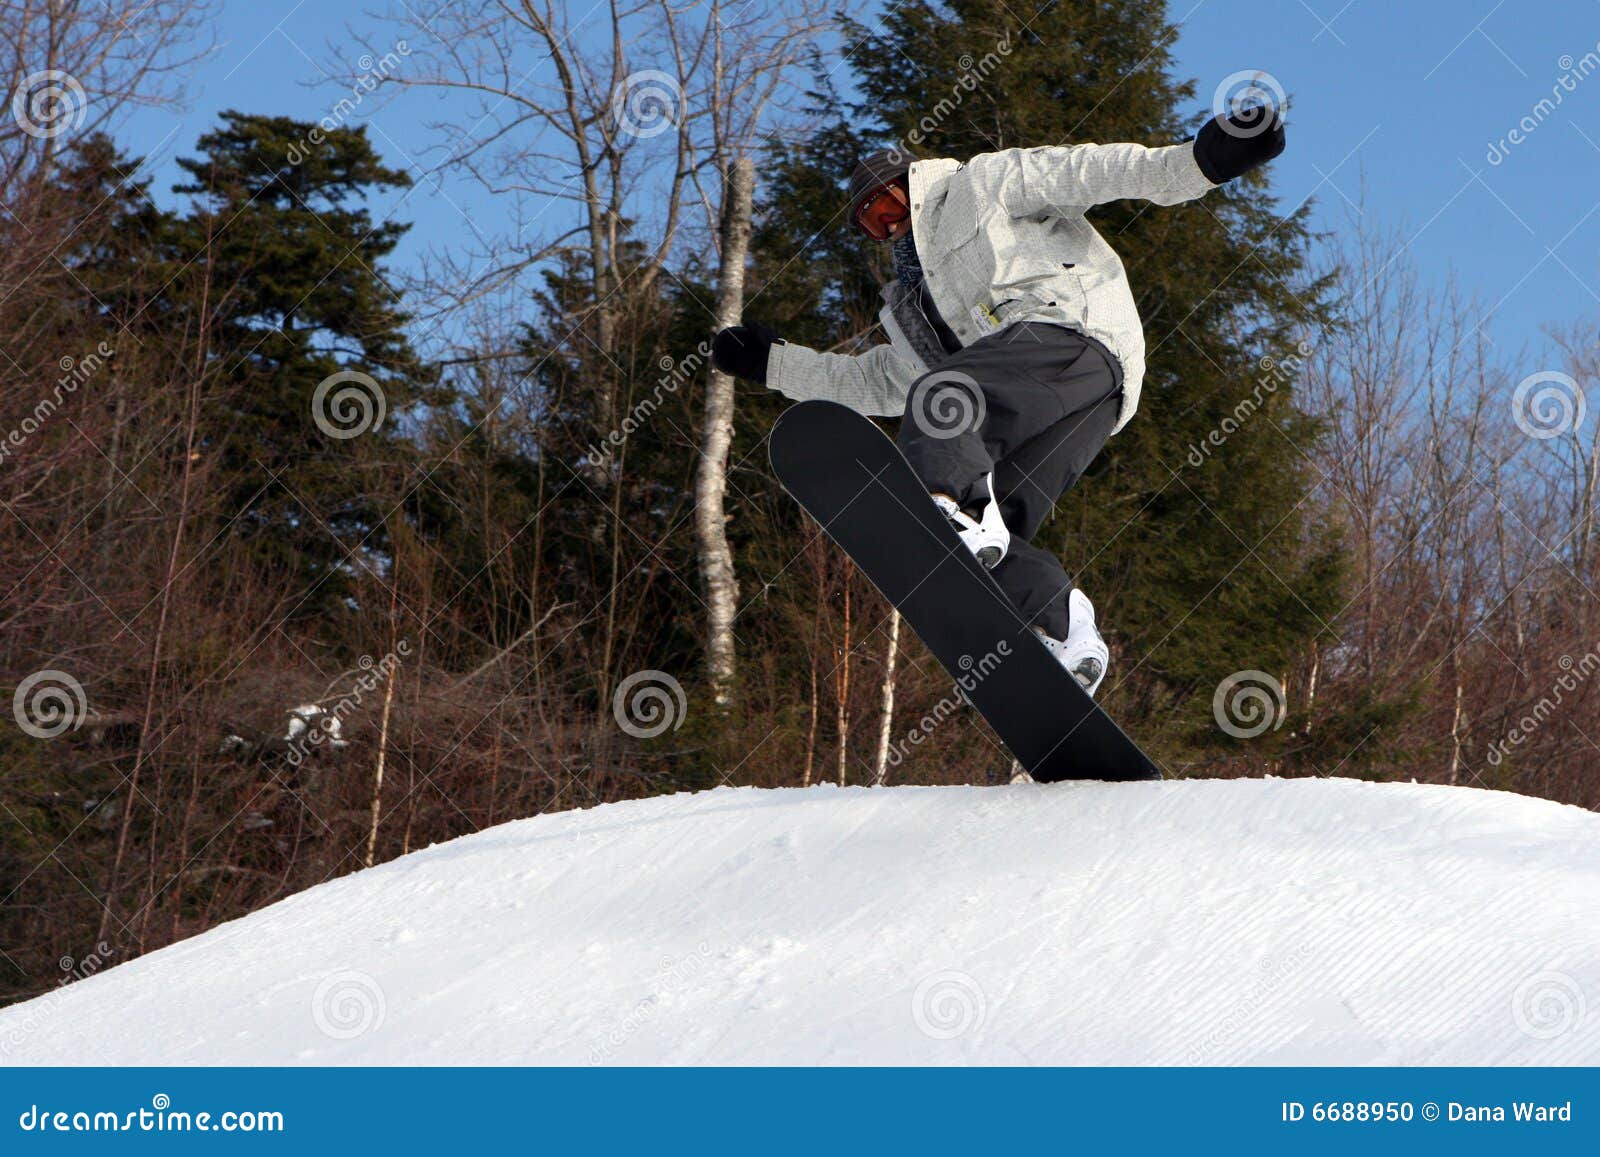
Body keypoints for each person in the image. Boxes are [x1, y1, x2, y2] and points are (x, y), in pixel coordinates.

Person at [711, 101, 1285, 696]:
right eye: (870, 227)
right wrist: (775, 362)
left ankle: (952, 505)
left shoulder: (982, 183)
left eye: (886, 208)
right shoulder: (910, 315)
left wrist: (1201, 162)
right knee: (999, 521)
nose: (887, 230)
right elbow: (875, 381)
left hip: (1070, 334)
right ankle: (1064, 630)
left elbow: (1092, 172)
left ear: (911, 185)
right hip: (1083, 407)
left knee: (943, 398)